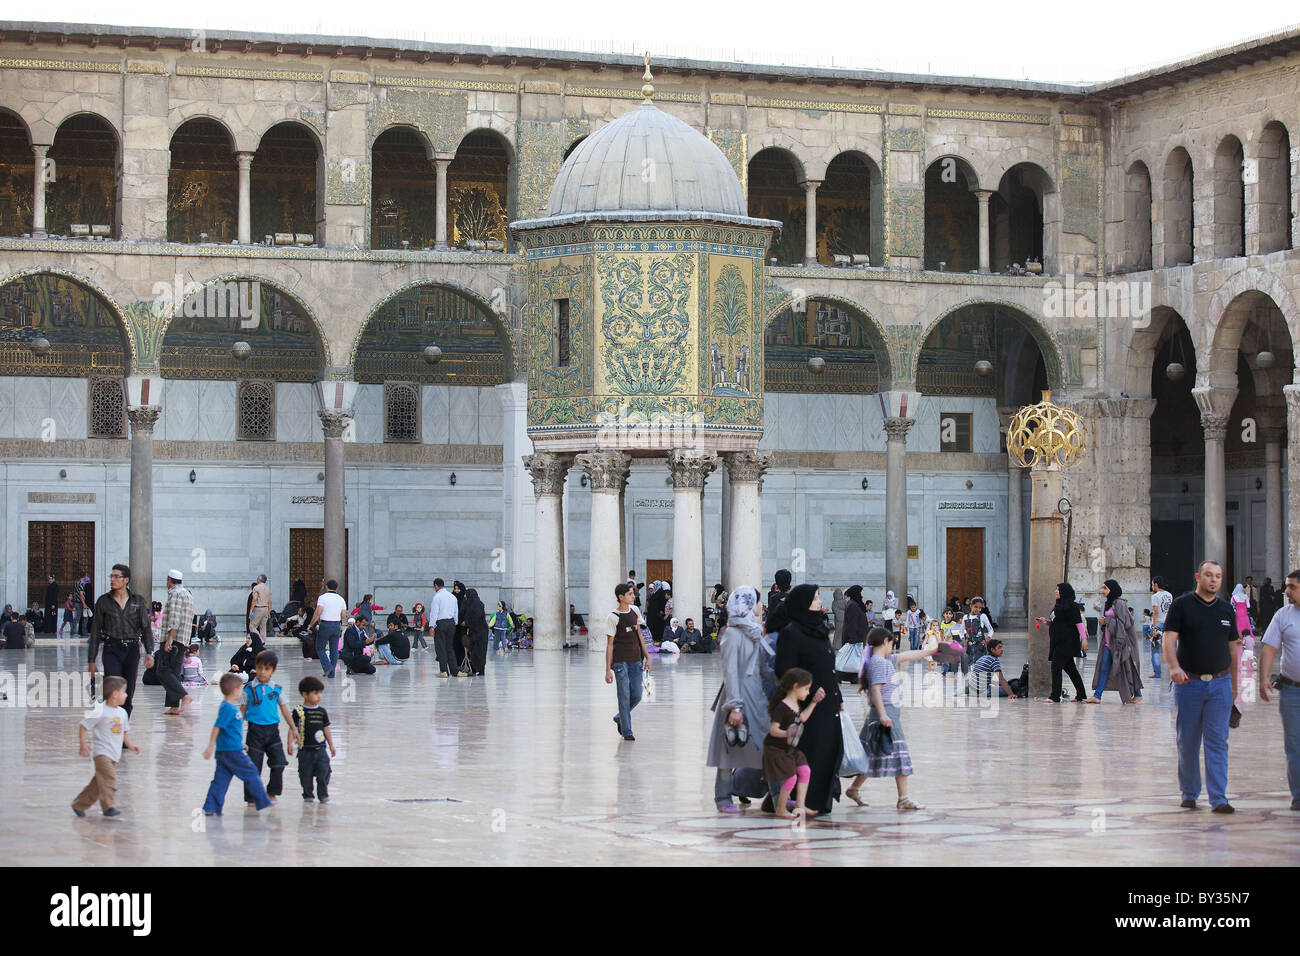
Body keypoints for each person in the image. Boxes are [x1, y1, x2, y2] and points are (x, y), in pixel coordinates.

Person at [1162, 559, 1238, 813]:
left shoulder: (1227, 610)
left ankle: (1219, 798)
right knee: (1188, 741)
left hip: (1219, 684)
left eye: (1218, 576)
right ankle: (1190, 792)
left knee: (1218, 741)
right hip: (1190, 683)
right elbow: (1169, 639)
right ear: (1198, 577)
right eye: (1208, 575)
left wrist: (1235, 686)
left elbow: (1233, 649)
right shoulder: (1182, 605)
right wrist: (1174, 667)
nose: (1214, 580)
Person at [845, 626, 939, 811]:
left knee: (872, 753)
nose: (893, 648)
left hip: (888, 712)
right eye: (891, 644)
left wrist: (931, 651)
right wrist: (883, 715)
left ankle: (854, 788)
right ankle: (903, 798)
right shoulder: (879, 662)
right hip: (885, 712)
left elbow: (907, 655)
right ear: (885, 642)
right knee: (899, 753)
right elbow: (875, 690)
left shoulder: (885, 659)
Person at [773, 584, 842, 816]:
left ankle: (821, 800)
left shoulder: (819, 630)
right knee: (811, 749)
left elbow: (828, 668)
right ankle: (801, 800)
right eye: (815, 599)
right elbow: (784, 669)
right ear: (803, 604)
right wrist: (808, 693)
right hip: (808, 705)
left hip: (828, 702)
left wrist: (837, 695)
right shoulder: (791, 634)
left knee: (829, 748)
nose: (819, 602)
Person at [706, 586, 771, 813]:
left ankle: (775, 794)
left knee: (765, 745)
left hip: (756, 697)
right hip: (737, 697)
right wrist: (734, 705)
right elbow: (730, 670)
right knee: (730, 748)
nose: (759, 607)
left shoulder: (754, 631)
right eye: (757, 602)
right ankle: (722, 797)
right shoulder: (733, 634)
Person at [87, 563, 154, 717]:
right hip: (112, 649)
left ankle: (122, 734)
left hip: (131, 650)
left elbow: (145, 628)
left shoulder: (137, 601)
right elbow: (96, 631)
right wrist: (91, 661)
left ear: (126, 580)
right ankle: (110, 726)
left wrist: (149, 652)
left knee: (127, 694)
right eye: (111, 576)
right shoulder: (103, 601)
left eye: (116, 576)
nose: (113, 579)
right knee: (114, 690)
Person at [202, 672, 273, 815]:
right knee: (251, 772)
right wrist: (210, 746)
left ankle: (211, 807)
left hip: (227, 750)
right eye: (241, 689)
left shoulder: (228, 707)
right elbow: (218, 727)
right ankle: (262, 800)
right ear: (235, 691)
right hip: (231, 752)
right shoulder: (228, 709)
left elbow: (230, 731)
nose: (242, 692)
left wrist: (241, 743)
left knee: (221, 780)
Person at [1259, 569, 1300, 811]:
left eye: (1292, 587)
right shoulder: (1283, 615)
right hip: (1292, 692)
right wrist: (1263, 677)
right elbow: (1269, 648)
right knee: (1294, 745)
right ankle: (1299, 795)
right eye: (1287, 586)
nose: (1286, 591)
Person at [762, 667, 825, 820]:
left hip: (789, 748)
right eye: (806, 689)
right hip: (776, 748)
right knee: (791, 777)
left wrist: (814, 703)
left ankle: (800, 805)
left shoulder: (795, 705)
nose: (808, 692)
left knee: (804, 771)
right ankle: (781, 808)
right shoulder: (782, 707)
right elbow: (773, 730)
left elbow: (802, 718)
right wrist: (787, 734)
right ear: (796, 687)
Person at [71, 675, 138, 818]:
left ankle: (79, 804)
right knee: (109, 778)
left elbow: (125, 732)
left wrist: (131, 746)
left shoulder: (122, 713)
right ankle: (109, 807)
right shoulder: (100, 710)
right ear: (114, 694)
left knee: (97, 784)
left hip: (114, 754)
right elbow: (83, 726)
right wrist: (83, 744)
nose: (126, 695)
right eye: (123, 691)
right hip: (101, 753)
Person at [241, 649, 299, 806]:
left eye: (267, 669)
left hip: (273, 731)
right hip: (254, 732)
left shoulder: (277, 689)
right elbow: (241, 712)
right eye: (259, 668)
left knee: (279, 763)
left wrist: (293, 728)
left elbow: (286, 710)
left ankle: (272, 793)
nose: (262, 672)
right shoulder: (248, 689)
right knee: (253, 766)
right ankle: (252, 798)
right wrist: (237, 736)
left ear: (273, 670)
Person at [605, 582, 650, 741]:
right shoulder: (612, 617)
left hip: (635, 659)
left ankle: (620, 717)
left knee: (637, 695)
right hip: (619, 661)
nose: (633, 596)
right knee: (623, 695)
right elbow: (610, 644)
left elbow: (640, 636)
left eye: (633, 594)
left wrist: (648, 657)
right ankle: (627, 731)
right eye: (630, 594)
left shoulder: (635, 611)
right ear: (621, 597)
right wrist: (607, 669)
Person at [1087, 579, 1143, 705]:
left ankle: (1138, 694)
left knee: (1127, 668)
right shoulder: (1109, 603)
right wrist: (1104, 623)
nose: (1103, 590)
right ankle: (1097, 695)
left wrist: (1107, 621)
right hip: (1108, 643)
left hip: (1120, 644)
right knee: (1104, 668)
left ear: (1112, 589)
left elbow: (1125, 623)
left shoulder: (1120, 604)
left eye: (1105, 588)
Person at [1038, 583, 1089, 703]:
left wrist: (1084, 639)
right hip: (1057, 641)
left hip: (1067, 642)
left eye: (1058, 590)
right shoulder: (1058, 606)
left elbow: (1079, 624)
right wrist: (1046, 622)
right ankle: (1081, 694)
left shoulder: (1073, 607)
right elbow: (1056, 622)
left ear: (1064, 592)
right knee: (1071, 670)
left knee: (1056, 667)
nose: (1056, 591)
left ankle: (1055, 696)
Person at [289, 676, 335, 802]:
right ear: (305, 694)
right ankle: (308, 794)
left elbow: (326, 729)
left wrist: (331, 745)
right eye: (315, 693)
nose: (319, 696)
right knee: (305, 775)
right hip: (305, 751)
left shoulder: (322, 712)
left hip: (321, 750)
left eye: (320, 693)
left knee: (324, 772)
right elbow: (292, 728)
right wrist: (289, 743)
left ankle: (323, 794)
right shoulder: (298, 711)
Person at [158, 569, 196, 716]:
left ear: (169, 580)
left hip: (174, 639)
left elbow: (175, 618)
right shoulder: (187, 594)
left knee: (162, 670)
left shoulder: (175, 594)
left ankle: (184, 696)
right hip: (183, 639)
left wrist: (169, 639)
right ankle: (174, 706)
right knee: (173, 672)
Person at [307, 579, 347, 679]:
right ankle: (331, 673)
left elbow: (318, 613)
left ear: (326, 587)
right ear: (336, 588)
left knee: (320, 648)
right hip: (337, 625)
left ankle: (328, 667)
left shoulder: (322, 598)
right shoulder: (341, 599)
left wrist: (310, 624)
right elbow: (343, 616)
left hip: (325, 625)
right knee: (334, 650)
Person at [429, 578, 459, 679]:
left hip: (441, 623)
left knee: (441, 647)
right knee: (449, 647)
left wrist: (431, 626)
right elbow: (456, 612)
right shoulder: (452, 596)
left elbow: (434, 613)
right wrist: (455, 623)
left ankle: (444, 671)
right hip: (451, 623)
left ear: (436, 586)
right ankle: (454, 670)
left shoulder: (437, 597)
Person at [461, 587, 490, 676]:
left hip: (477, 631)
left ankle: (476, 669)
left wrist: (466, 623)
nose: (465, 596)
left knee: (476, 650)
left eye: (466, 594)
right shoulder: (479, 603)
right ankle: (480, 670)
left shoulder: (471, 603)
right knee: (480, 650)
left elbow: (475, 617)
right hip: (481, 631)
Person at [1151, 576, 1173, 680]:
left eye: (1152, 584)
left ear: (1156, 584)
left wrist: (1154, 628)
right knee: (1169, 648)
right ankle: (1172, 670)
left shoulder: (1155, 596)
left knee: (1155, 649)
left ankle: (1157, 673)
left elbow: (1155, 612)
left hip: (1158, 623)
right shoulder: (1169, 595)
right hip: (1168, 623)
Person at [250, 574, 272, 643]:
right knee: (263, 627)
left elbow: (254, 599)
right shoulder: (267, 588)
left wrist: (251, 610)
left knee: (252, 626)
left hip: (258, 608)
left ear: (259, 579)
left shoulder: (256, 588)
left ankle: (261, 640)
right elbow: (269, 601)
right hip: (265, 608)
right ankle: (263, 641)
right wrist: (269, 611)